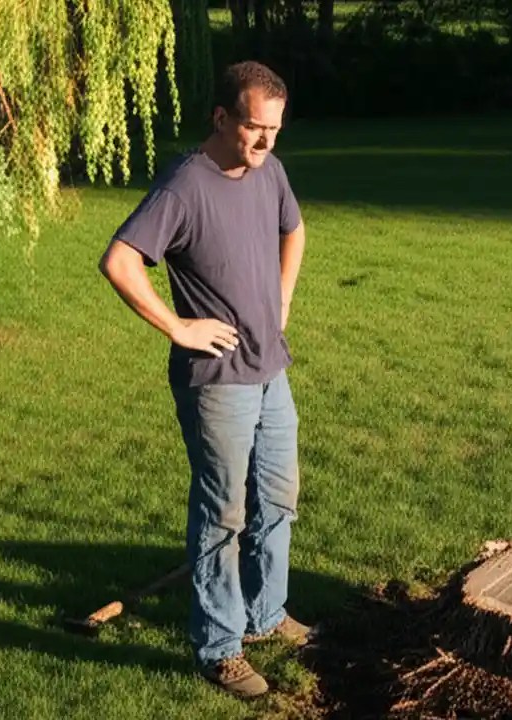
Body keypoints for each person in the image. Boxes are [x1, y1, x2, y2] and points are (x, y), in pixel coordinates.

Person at [98, 60, 309, 699]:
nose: (266, 140)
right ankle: (219, 647)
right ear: (221, 117)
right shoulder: (184, 186)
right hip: (217, 380)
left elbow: (294, 230)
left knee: (277, 498)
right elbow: (120, 260)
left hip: (270, 369)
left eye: (274, 127)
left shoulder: (269, 170)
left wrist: (282, 299)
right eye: (253, 126)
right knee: (223, 512)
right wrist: (178, 327)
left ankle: (267, 615)